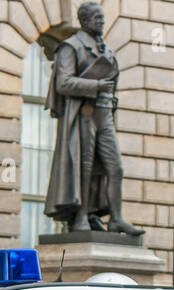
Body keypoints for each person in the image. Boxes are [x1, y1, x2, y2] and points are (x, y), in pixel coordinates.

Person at [43, 2, 144, 236]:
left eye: (102, 17)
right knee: (84, 168)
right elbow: (63, 83)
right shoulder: (71, 47)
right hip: (82, 115)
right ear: (84, 20)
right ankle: (80, 217)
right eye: (96, 17)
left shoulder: (107, 51)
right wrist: (97, 85)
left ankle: (116, 218)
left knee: (115, 167)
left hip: (104, 114)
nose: (101, 21)